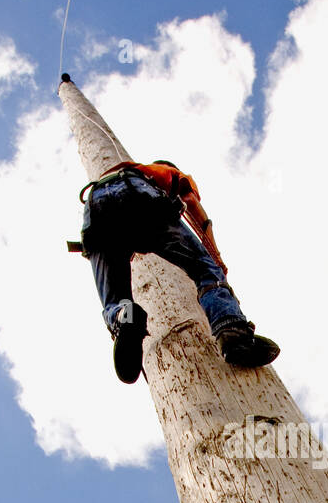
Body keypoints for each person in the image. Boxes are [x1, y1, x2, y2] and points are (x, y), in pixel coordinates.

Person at [78, 157, 280, 384]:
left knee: (115, 298)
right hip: (138, 196)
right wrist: (215, 256)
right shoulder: (167, 172)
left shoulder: (123, 173)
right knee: (206, 270)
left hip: (95, 210)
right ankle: (233, 331)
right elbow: (193, 206)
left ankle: (125, 317)